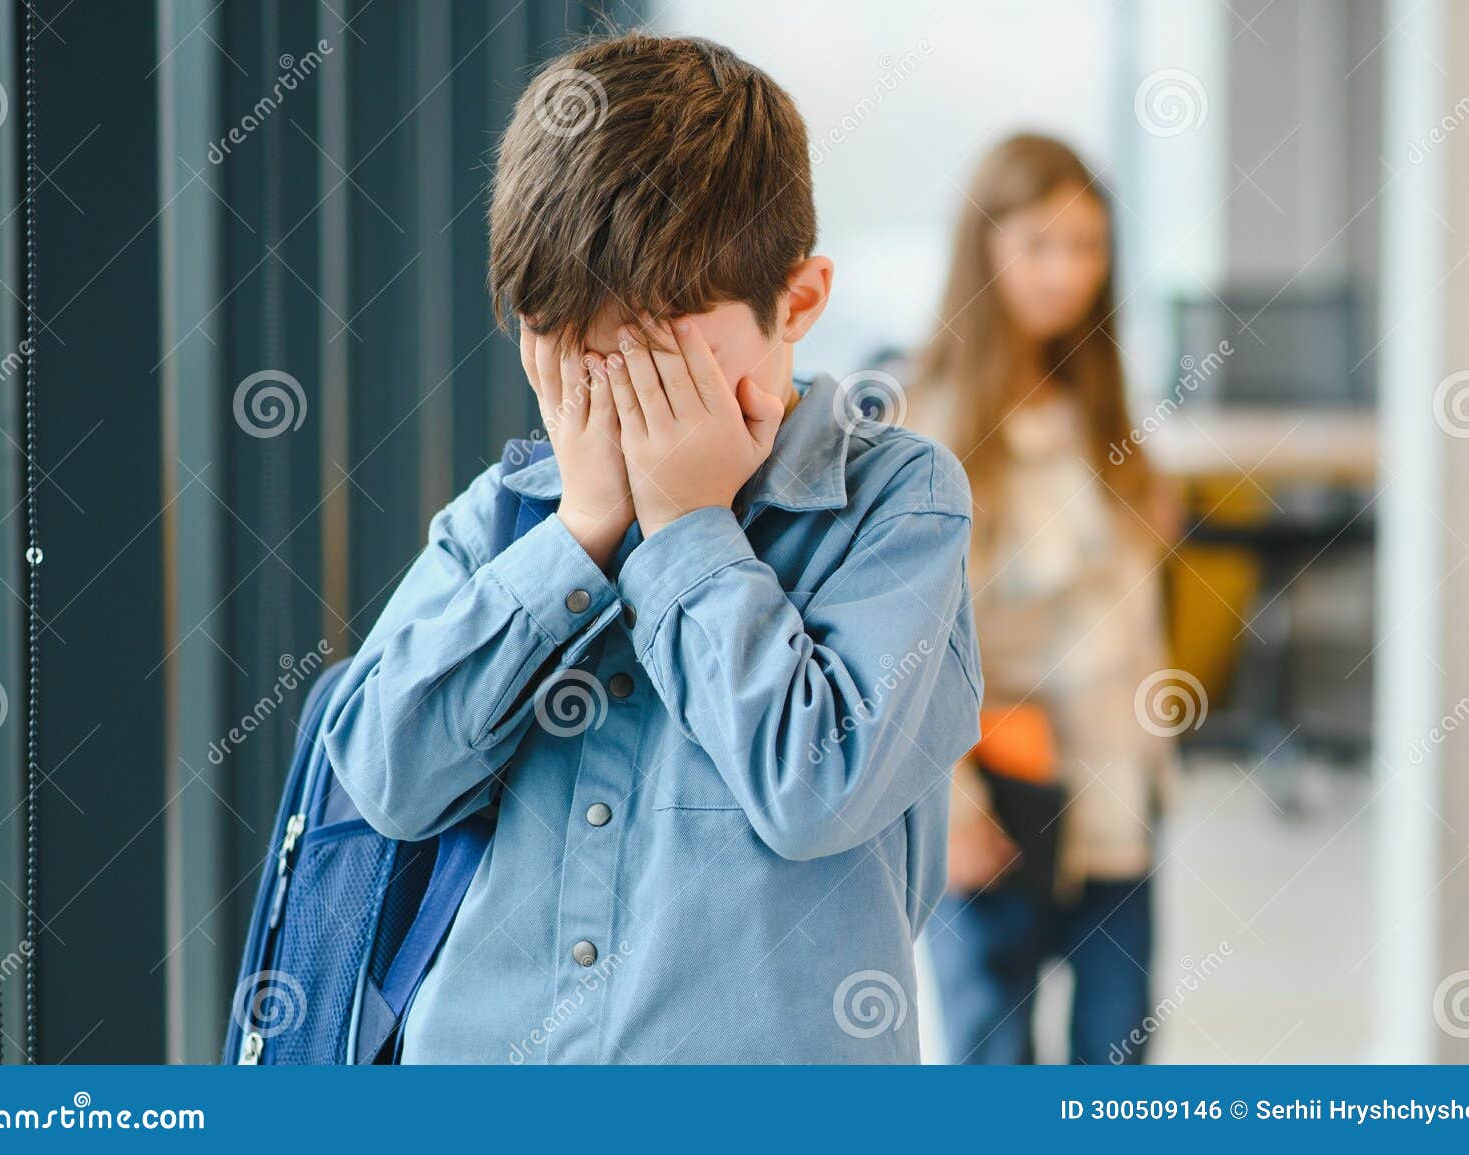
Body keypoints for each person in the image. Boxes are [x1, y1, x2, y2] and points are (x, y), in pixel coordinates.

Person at [320, 32, 983, 1063]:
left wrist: (686, 529)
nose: (624, 395)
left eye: (662, 349)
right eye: (582, 350)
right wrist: (576, 537)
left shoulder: (897, 504)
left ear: (799, 301)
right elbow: (383, 778)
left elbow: (817, 791)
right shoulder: (509, 512)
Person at [908, 134, 1177, 1065]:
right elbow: (909, 644)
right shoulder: (930, 428)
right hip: (1001, 803)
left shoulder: (1105, 413)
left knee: (1118, 1059)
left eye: (1087, 246)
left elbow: (1134, 620)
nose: (1066, 272)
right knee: (996, 1060)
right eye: (1038, 244)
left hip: (1118, 794)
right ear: (983, 248)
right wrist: (950, 805)